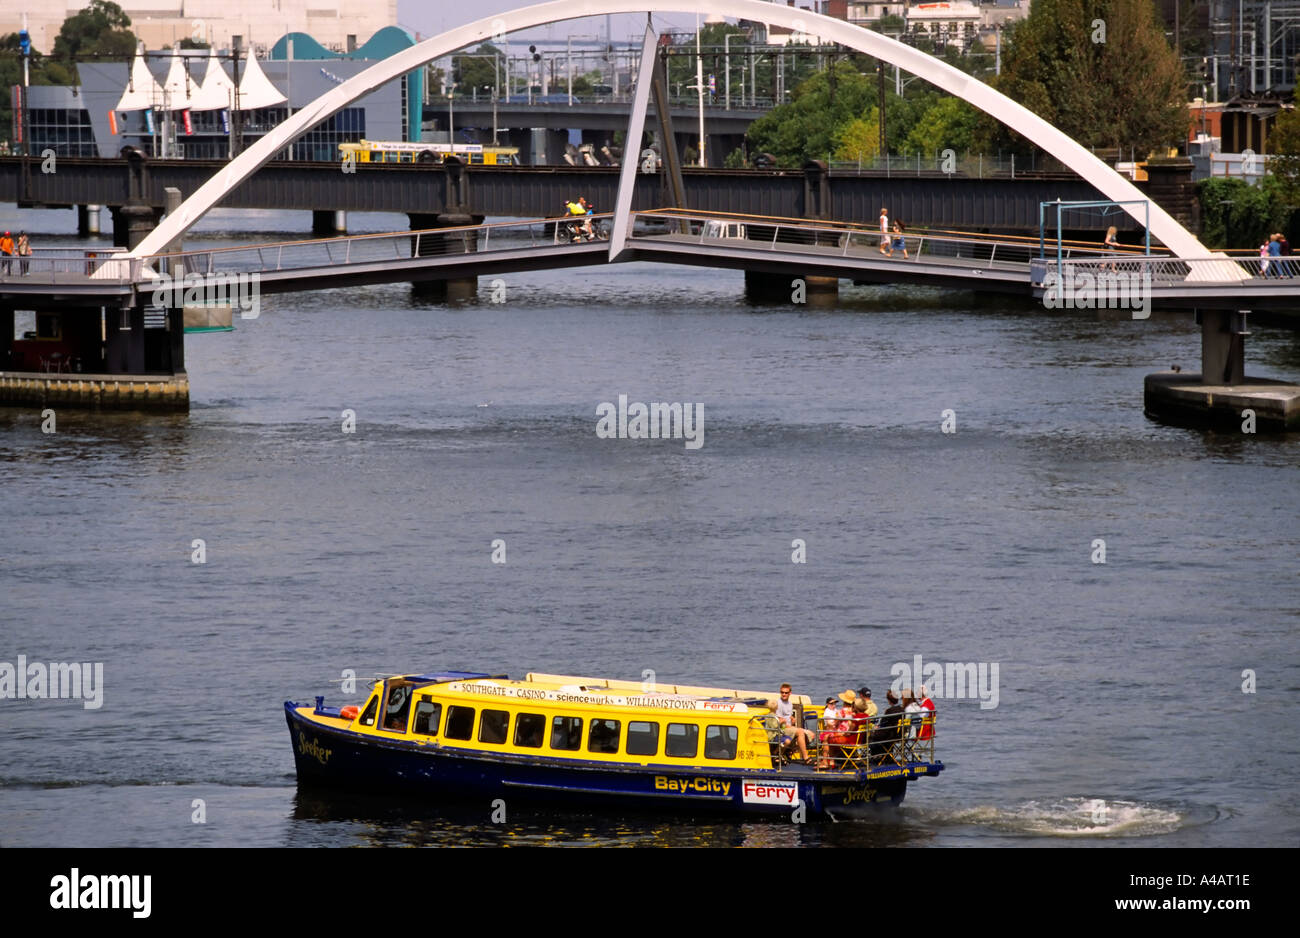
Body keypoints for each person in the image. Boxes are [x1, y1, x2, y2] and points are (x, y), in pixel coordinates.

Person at [771, 682, 815, 764]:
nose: (784, 694)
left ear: (790, 693)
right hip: (782, 729)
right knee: (800, 731)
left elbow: (788, 715)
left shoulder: (790, 704)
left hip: (790, 727)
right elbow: (780, 721)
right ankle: (806, 758)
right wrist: (792, 728)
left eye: (786, 693)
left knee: (811, 735)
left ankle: (789, 750)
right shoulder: (779, 704)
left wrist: (792, 718)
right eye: (782, 692)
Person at [870, 689, 904, 764]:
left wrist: (876, 728)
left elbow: (883, 723)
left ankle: (876, 758)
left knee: (870, 736)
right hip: (898, 734)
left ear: (889, 700)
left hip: (889, 735)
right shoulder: (902, 710)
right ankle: (886, 756)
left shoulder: (889, 711)